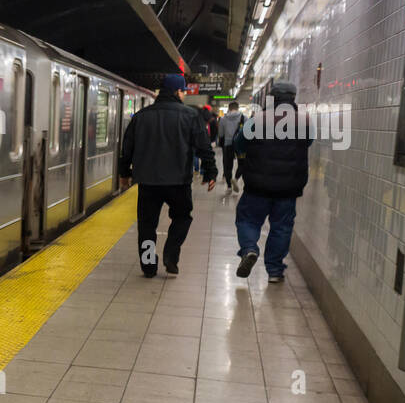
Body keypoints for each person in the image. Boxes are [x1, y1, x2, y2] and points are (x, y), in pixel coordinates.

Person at [119, 73, 217, 278]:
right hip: (178, 181)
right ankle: (171, 255)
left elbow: (127, 148)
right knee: (182, 218)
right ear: (177, 91)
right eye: (183, 91)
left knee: (147, 226)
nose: (184, 95)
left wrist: (124, 173)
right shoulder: (190, 116)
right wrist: (210, 172)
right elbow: (204, 147)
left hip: (148, 182)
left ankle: (148, 266)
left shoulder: (141, 116)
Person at [233, 81, 312, 283]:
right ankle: (275, 271)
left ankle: (249, 249)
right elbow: (308, 142)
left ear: (272, 97)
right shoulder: (304, 122)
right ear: (293, 98)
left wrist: (247, 156)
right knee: (281, 227)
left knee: (248, 220)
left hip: (257, 186)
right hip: (289, 188)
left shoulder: (257, 119)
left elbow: (239, 143)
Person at [217, 100, 244, 193]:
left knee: (227, 165)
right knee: (242, 164)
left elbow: (220, 134)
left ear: (229, 108)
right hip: (241, 146)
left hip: (227, 145)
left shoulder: (223, 119)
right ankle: (236, 179)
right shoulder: (244, 118)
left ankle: (229, 186)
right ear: (238, 108)